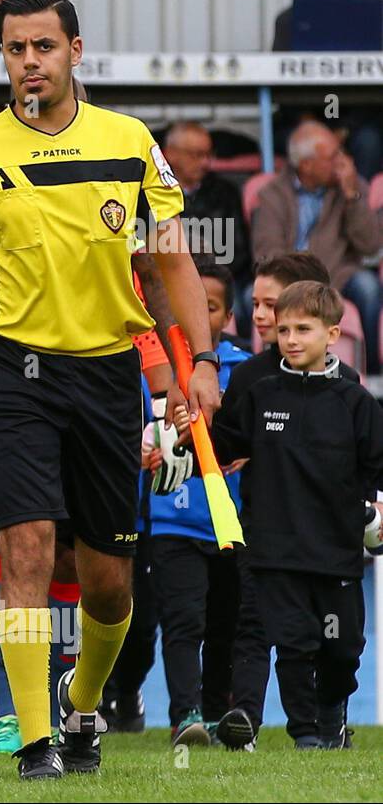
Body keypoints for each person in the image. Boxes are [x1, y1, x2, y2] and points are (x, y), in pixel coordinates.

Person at [0, 0, 218, 780]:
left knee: (108, 584)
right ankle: (38, 743)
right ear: (2, 58)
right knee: (26, 554)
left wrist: (203, 362)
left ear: (75, 52)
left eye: (44, 47)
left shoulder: (127, 140)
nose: (30, 63)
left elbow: (170, 260)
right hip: (12, 376)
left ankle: (85, 702)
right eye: (16, 50)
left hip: (108, 376)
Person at [212, 282, 378, 749]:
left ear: (332, 334)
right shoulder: (261, 394)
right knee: (293, 645)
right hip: (274, 551)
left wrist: (375, 512)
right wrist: (193, 430)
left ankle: (331, 711)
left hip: (337, 551)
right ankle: (306, 732)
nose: (290, 339)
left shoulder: (356, 402)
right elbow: (224, 445)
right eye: (283, 329)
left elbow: (376, 468)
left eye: (303, 329)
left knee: (343, 650)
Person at [144, 261, 249, 748]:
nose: (197, 315)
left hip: (229, 521)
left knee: (224, 621)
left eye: (209, 307)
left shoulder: (245, 371)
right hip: (172, 518)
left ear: (226, 316)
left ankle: (216, 708)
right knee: (182, 620)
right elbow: (138, 435)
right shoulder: (153, 367)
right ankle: (183, 713)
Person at [252, 121, 382, 371]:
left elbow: (370, 245)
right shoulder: (272, 194)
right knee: (249, 296)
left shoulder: (352, 186)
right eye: (332, 157)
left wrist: (351, 196)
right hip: (287, 278)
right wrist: (297, 279)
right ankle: (264, 362)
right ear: (306, 165)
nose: (342, 161)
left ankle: (374, 372)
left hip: (338, 276)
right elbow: (266, 251)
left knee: (368, 287)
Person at [271, 0, 382, 180]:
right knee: (290, 141)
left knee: (370, 142)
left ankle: (358, 212)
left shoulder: (371, 21)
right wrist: (311, 127)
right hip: (300, 122)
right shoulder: (288, 21)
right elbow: (279, 83)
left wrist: (344, 130)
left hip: (357, 125)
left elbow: (376, 89)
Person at [162, 122, 251, 291]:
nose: (205, 162)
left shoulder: (225, 192)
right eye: (196, 155)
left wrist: (212, 276)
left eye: (209, 154)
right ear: (170, 154)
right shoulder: (151, 194)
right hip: (167, 280)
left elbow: (239, 251)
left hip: (219, 281)